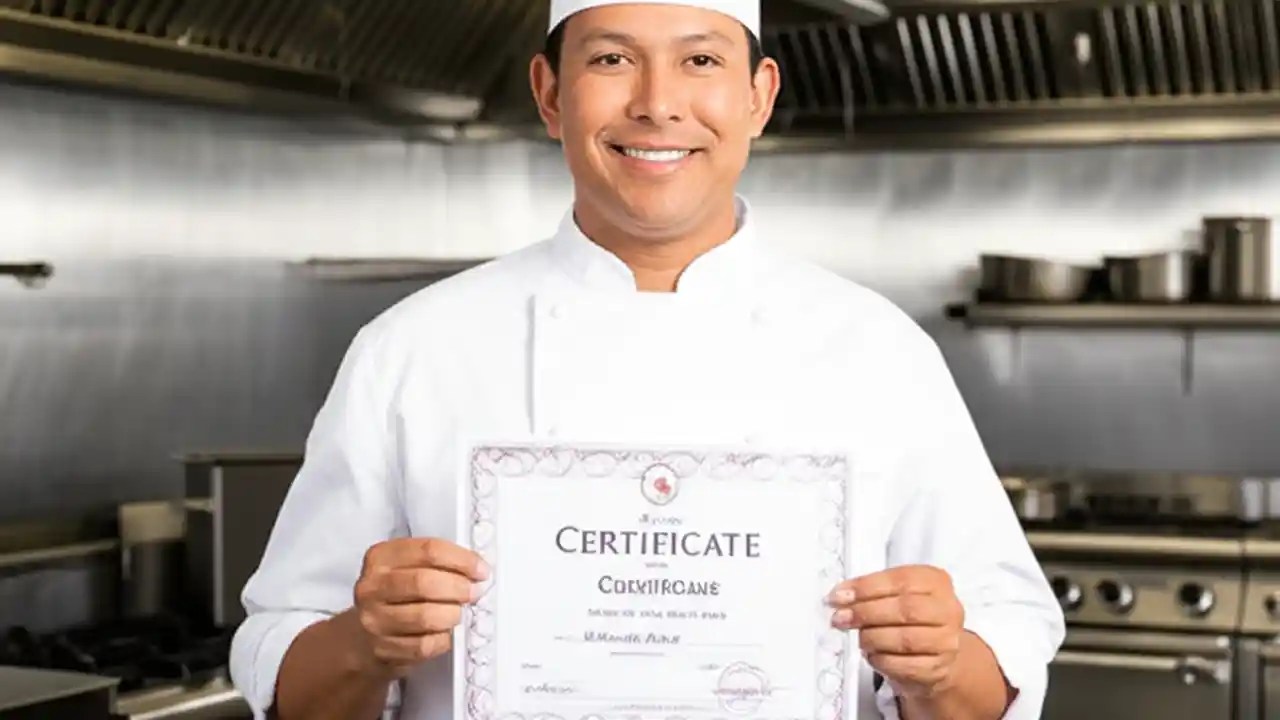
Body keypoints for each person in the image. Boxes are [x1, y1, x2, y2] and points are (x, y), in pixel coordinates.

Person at [228, 0, 1066, 718]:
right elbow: (284, 667)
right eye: (612, 59)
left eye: (700, 59)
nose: (658, 103)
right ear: (551, 95)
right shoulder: (411, 350)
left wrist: (941, 662)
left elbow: (1005, 659)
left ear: (757, 96)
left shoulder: (881, 354)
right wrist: (362, 643)